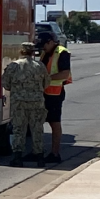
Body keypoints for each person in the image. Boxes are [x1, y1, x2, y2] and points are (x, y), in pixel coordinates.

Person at [3, 41, 49, 167]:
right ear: (33, 52)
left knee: (18, 129)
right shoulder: (40, 66)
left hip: (19, 103)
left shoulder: (13, 66)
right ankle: (40, 158)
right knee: (37, 129)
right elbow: (46, 83)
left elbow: (6, 84)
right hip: (36, 102)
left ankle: (17, 158)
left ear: (21, 51)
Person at [37, 30, 72, 163]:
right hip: (43, 92)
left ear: (51, 42)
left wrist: (47, 78)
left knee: (54, 123)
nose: (43, 48)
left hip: (55, 94)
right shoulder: (46, 52)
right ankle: (37, 152)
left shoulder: (62, 52)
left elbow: (65, 74)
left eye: (44, 44)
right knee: (37, 122)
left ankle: (55, 154)